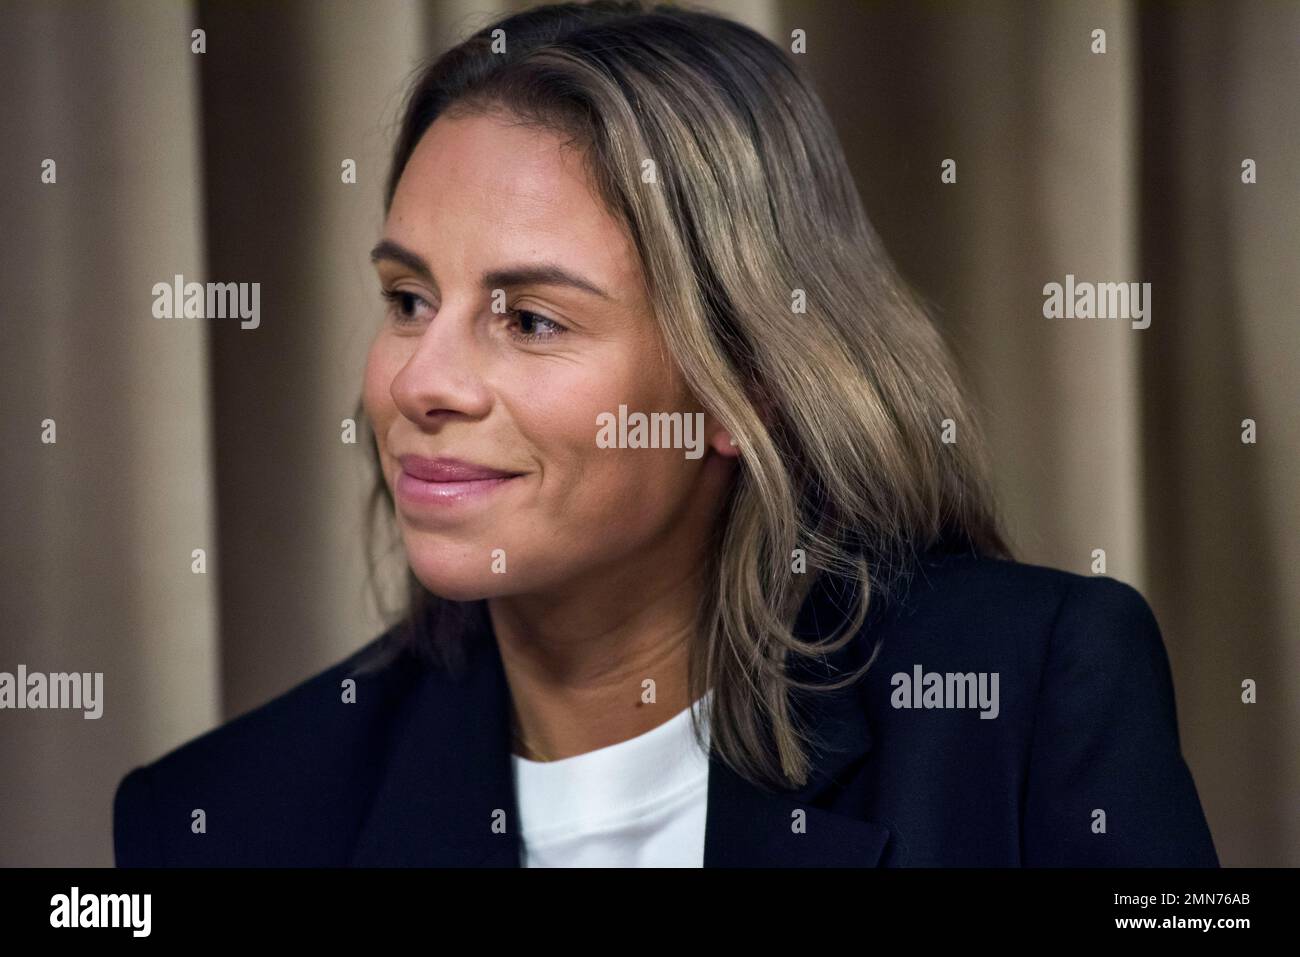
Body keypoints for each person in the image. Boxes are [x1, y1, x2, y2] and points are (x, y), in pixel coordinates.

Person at [113, 0, 1218, 867]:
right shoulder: (220, 817)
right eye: (407, 299)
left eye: (532, 319)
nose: (418, 381)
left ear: (746, 387)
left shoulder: (1021, 699)